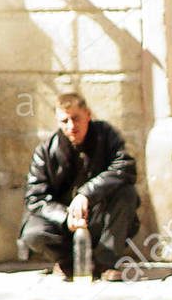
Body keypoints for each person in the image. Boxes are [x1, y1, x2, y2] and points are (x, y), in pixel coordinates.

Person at [19, 92, 140, 281]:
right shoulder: (45, 151)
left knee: (127, 194)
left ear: (88, 115)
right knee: (33, 232)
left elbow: (126, 167)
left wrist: (86, 194)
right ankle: (67, 262)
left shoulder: (106, 135)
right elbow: (35, 198)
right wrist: (66, 216)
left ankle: (105, 262)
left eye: (76, 119)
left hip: (100, 218)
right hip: (64, 226)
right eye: (64, 121)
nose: (71, 126)